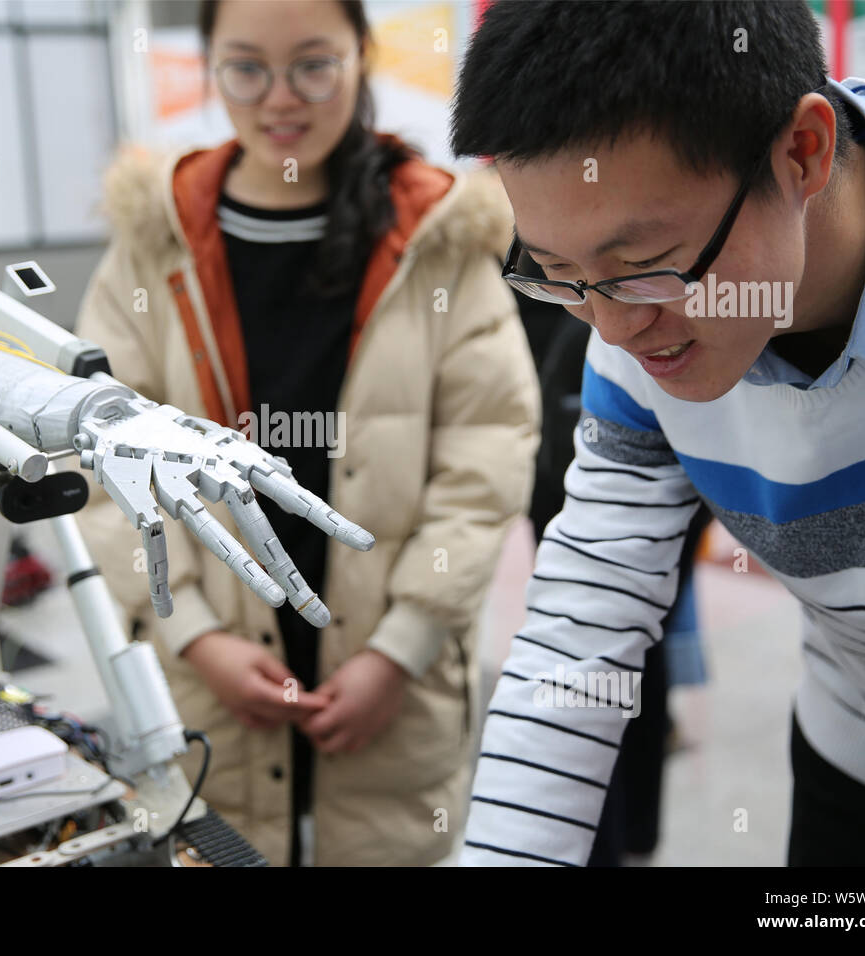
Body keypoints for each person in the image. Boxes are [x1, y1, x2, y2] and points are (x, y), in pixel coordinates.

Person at [452, 0, 865, 866]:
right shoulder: (630, 325)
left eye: (644, 266)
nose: (612, 329)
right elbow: (581, 626)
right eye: (558, 274)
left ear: (803, 153)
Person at [73, 0, 540, 866]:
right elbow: (107, 456)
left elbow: (489, 454)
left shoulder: (439, 235)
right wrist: (193, 636)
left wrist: (402, 650)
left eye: (314, 65)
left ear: (363, 57)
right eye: (247, 67)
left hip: (390, 671)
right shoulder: (156, 240)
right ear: (208, 64)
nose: (280, 97)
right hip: (209, 664)